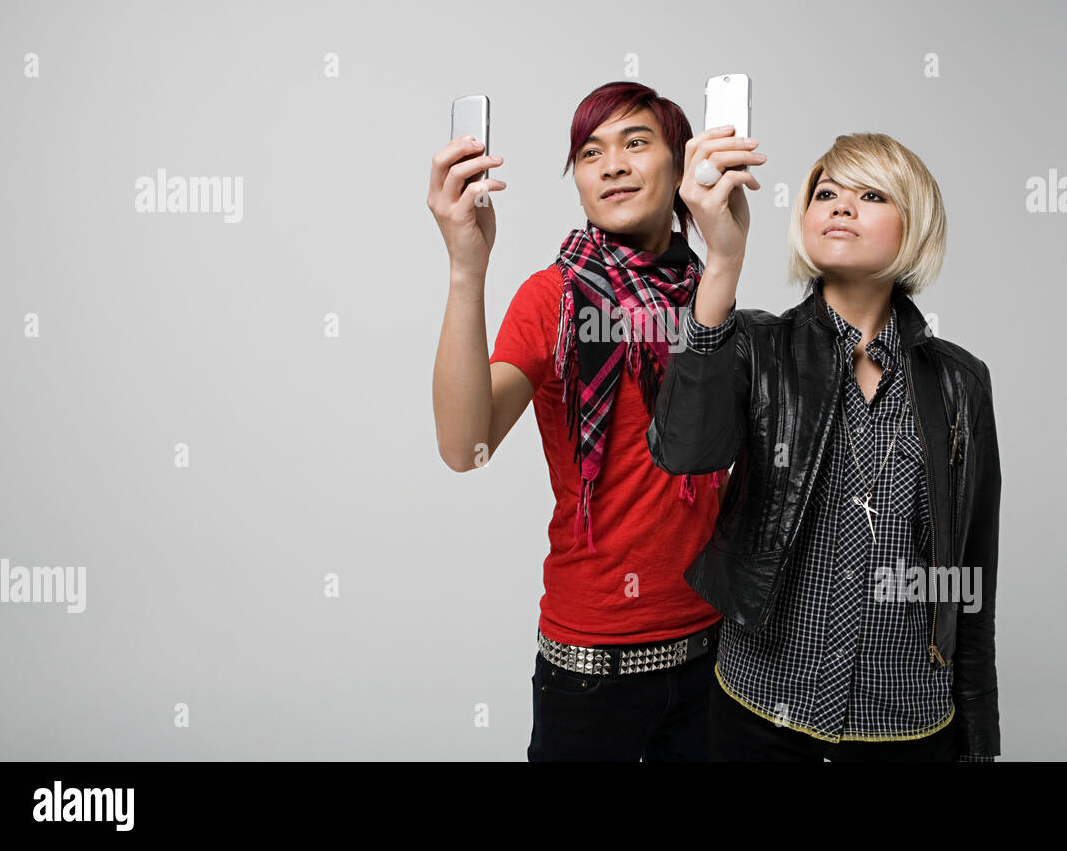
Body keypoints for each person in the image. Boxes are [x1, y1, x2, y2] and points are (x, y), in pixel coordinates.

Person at [647, 129, 1002, 761]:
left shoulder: (959, 381)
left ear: (914, 224)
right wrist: (723, 262)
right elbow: (682, 450)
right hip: (759, 717)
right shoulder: (757, 346)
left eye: (870, 194)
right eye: (826, 192)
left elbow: (970, 569)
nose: (839, 206)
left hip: (907, 726)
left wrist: (978, 740)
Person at [428, 81, 729, 760]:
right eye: (591, 152)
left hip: (716, 655)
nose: (612, 164)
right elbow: (462, 447)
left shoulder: (708, 297)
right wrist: (464, 268)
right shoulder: (556, 298)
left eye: (636, 143)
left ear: (682, 168)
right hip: (593, 674)